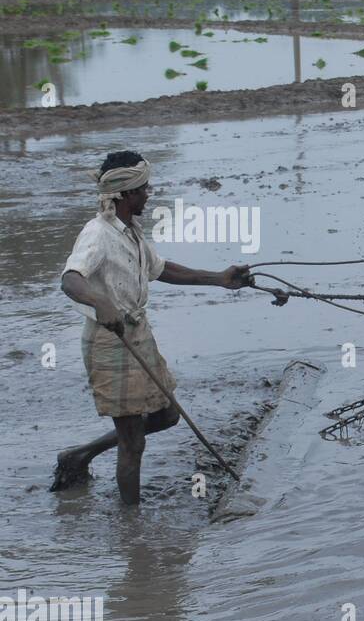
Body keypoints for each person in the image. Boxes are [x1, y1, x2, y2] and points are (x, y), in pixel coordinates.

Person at [52, 151, 252, 505]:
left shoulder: (129, 230)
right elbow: (71, 280)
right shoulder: (97, 234)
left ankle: (79, 455)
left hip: (137, 332)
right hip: (110, 341)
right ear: (127, 194)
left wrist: (220, 279)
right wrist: (101, 303)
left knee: (166, 415)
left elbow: (162, 270)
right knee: (133, 443)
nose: (149, 193)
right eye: (144, 188)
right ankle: (133, 531)